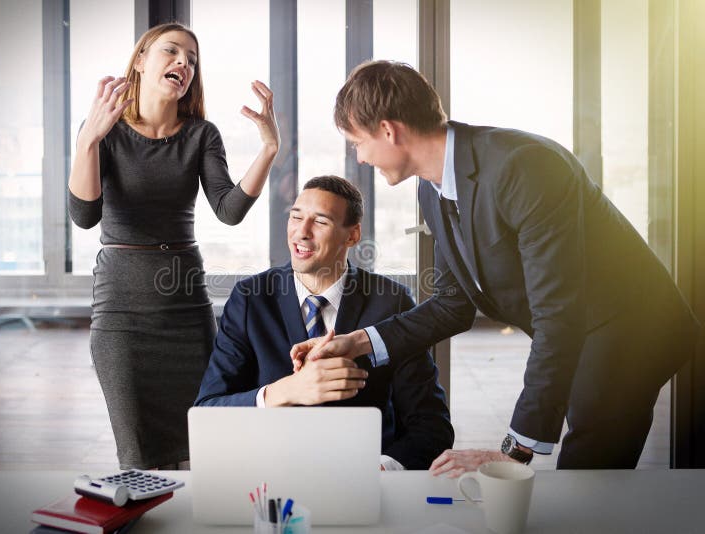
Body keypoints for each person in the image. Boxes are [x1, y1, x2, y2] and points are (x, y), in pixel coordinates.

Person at [291, 60, 700, 474]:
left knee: (586, 478)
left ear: (388, 130)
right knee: (590, 481)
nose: (359, 159)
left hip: (633, 329)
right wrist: (356, 342)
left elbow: (557, 313)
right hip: (584, 331)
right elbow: (453, 304)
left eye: (357, 143)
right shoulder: (432, 190)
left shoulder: (524, 167)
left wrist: (513, 451)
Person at [67, 22, 279, 469]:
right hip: (121, 317)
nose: (184, 63)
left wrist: (268, 150)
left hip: (187, 314)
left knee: (202, 449)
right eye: (172, 51)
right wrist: (89, 138)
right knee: (138, 457)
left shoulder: (202, 135)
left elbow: (229, 209)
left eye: (192, 59)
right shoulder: (104, 131)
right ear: (141, 60)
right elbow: (85, 216)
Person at [195, 176, 453, 470]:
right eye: (295, 217)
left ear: (352, 236)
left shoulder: (392, 302)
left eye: (320, 222)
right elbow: (208, 411)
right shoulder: (250, 299)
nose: (301, 232)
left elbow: (432, 426)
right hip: (269, 476)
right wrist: (288, 390)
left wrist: (382, 469)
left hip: (364, 477)